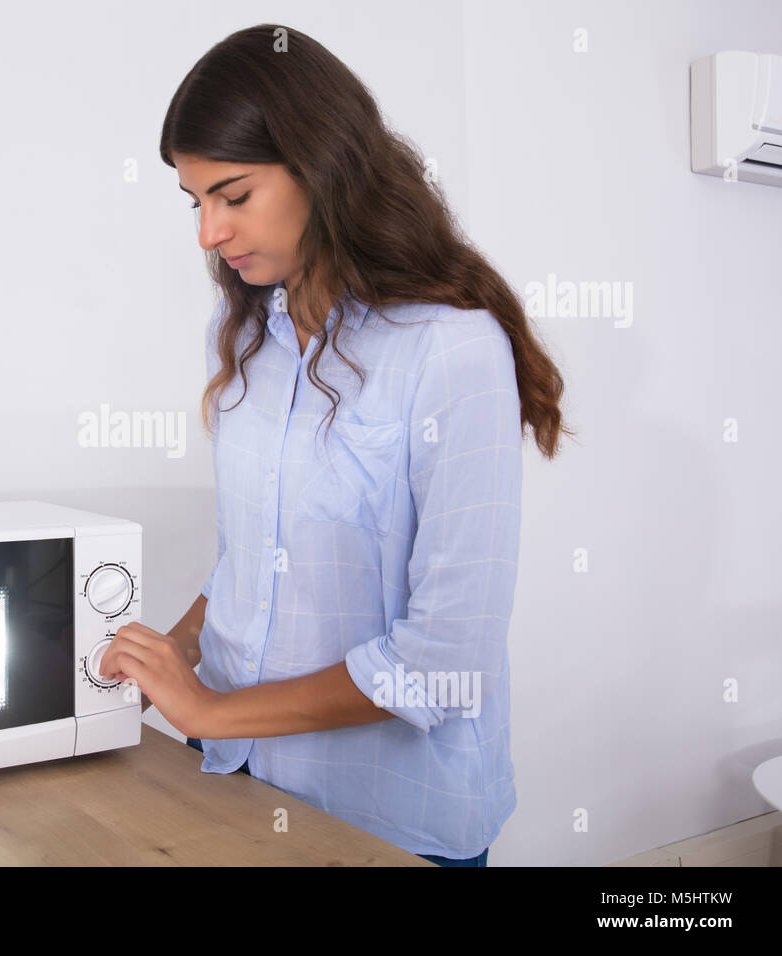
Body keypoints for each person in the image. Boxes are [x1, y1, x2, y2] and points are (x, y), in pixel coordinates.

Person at [97, 24, 571, 868]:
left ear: (322, 166)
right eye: (195, 200)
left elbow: (439, 663)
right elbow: (256, 560)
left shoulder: (451, 349)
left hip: (387, 821)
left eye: (232, 195)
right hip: (245, 788)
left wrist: (204, 711)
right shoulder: (244, 329)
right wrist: (176, 653)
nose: (208, 232)